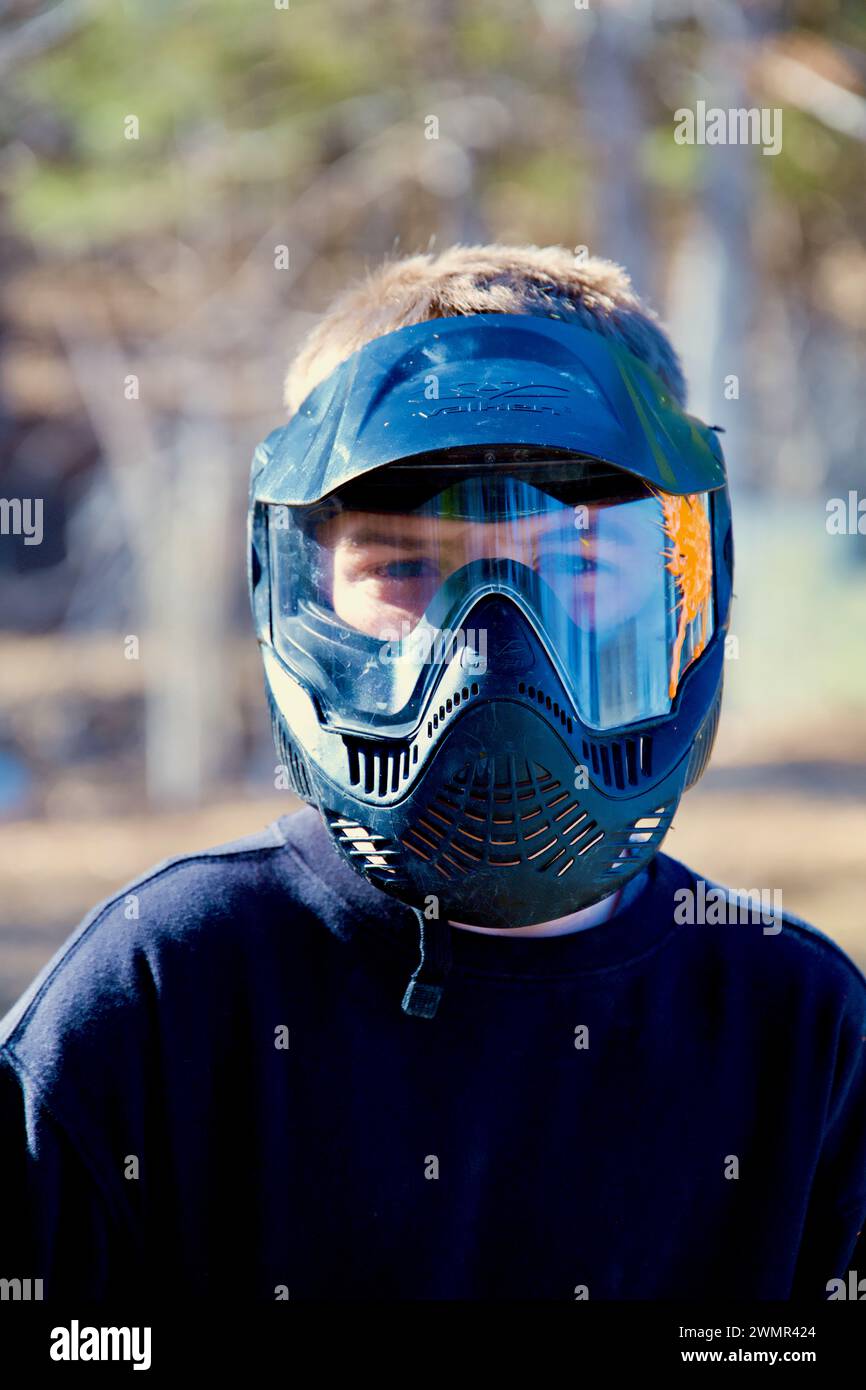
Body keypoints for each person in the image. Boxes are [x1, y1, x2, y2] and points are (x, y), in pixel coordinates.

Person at [1, 244, 864, 1301]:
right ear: (294, 589)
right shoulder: (157, 994)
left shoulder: (796, 1026)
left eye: (580, 566)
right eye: (404, 566)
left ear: (692, 586)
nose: (494, 651)